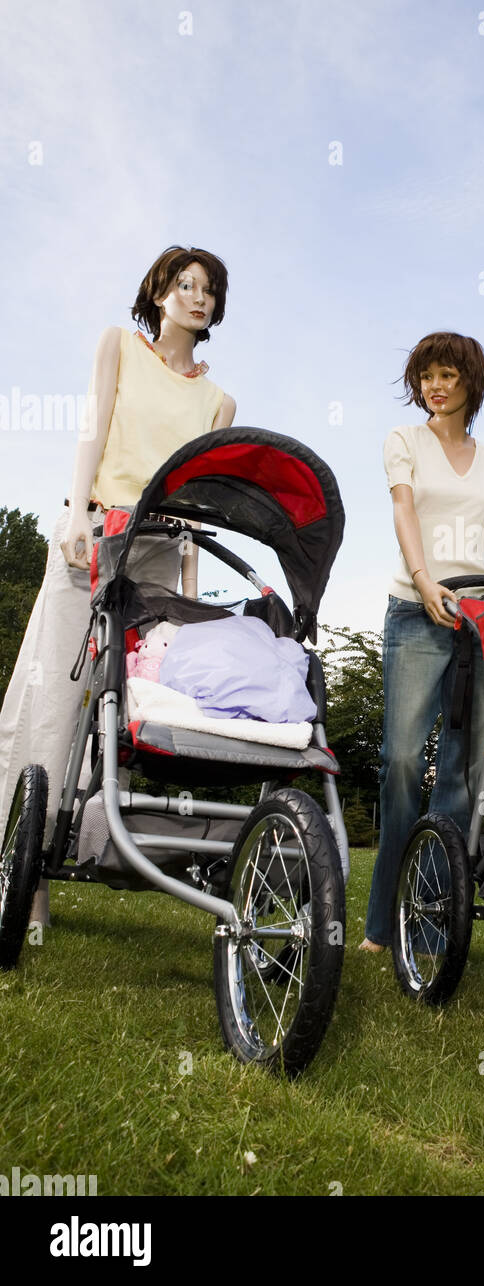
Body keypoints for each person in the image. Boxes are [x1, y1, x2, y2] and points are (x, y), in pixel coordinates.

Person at [0, 246, 236, 922]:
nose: (196, 297)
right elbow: (92, 430)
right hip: (96, 533)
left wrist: (190, 585)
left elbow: (197, 495)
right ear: (159, 293)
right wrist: (77, 511)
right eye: (184, 284)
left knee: (124, 713)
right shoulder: (118, 347)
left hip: (160, 554)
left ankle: (91, 846)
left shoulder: (219, 401)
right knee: (52, 696)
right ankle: (24, 872)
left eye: (209, 290)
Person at [361, 332, 484, 952]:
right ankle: (382, 926)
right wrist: (423, 579)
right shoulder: (404, 441)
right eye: (426, 377)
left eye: (447, 376)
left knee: (465, 772)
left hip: (474, 622)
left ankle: (432, 925)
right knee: (404, 762)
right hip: (416, 612)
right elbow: (404, 511)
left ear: (470, 384)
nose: (435, 387)